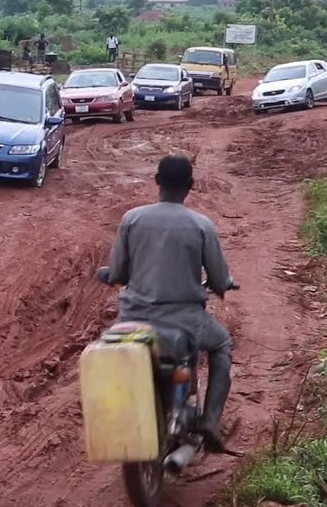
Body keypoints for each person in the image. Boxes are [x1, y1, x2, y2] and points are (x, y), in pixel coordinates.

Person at [99, 154, 235, 452]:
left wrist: (110, 276)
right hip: (186, 320)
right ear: (191, 185)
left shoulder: (132, 219)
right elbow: (218, 276)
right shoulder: (202, 226)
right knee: (222, 345)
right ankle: (210, 420)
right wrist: (223, 284)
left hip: (133, 318)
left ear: (156, 181)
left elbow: (118, 272)